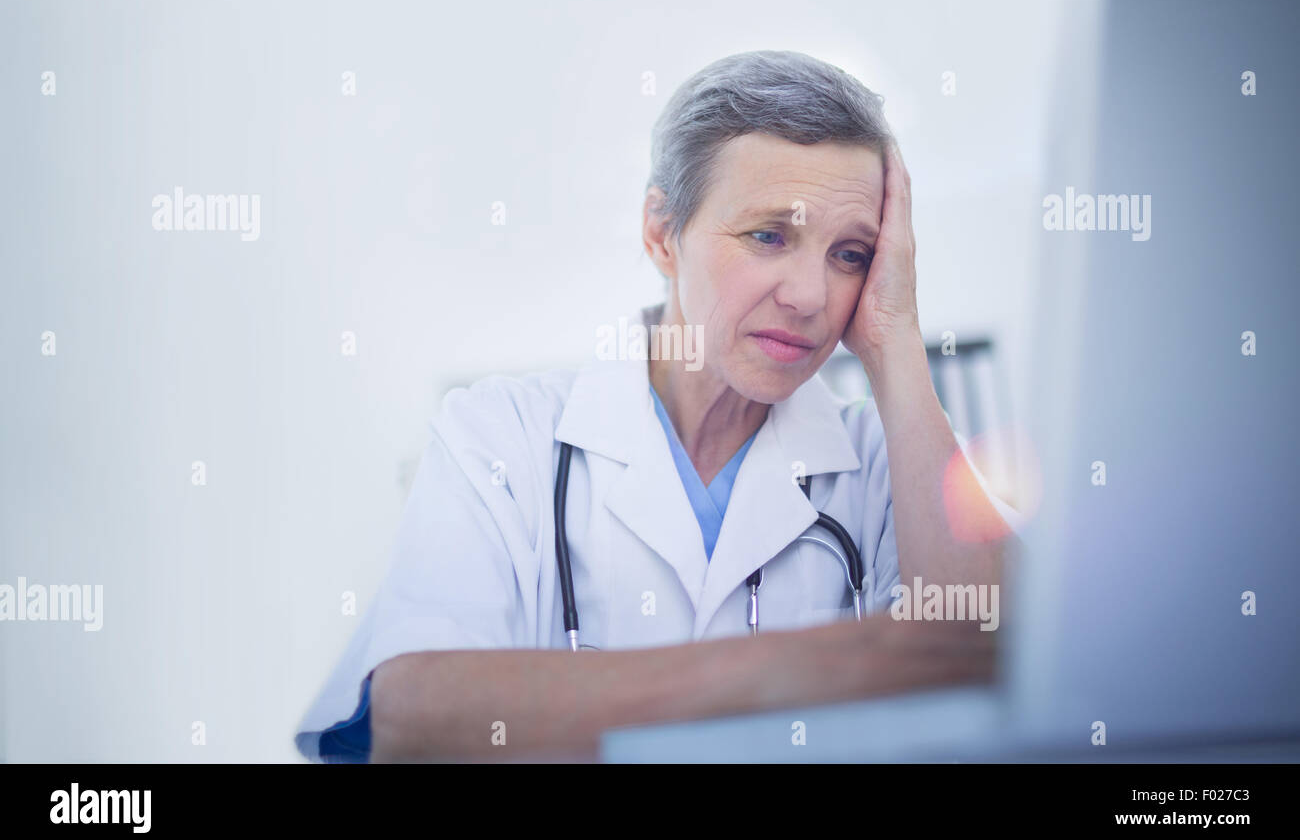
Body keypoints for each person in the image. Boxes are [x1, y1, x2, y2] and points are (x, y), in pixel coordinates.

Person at [295, 50, 1021, 763]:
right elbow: (423, 718)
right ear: (660, 233)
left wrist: (895, 343)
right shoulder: (500, 437)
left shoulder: (884, 457)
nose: (811, 295)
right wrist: (851, 661)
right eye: (769, 236)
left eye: (850, 255)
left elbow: (993, 646)